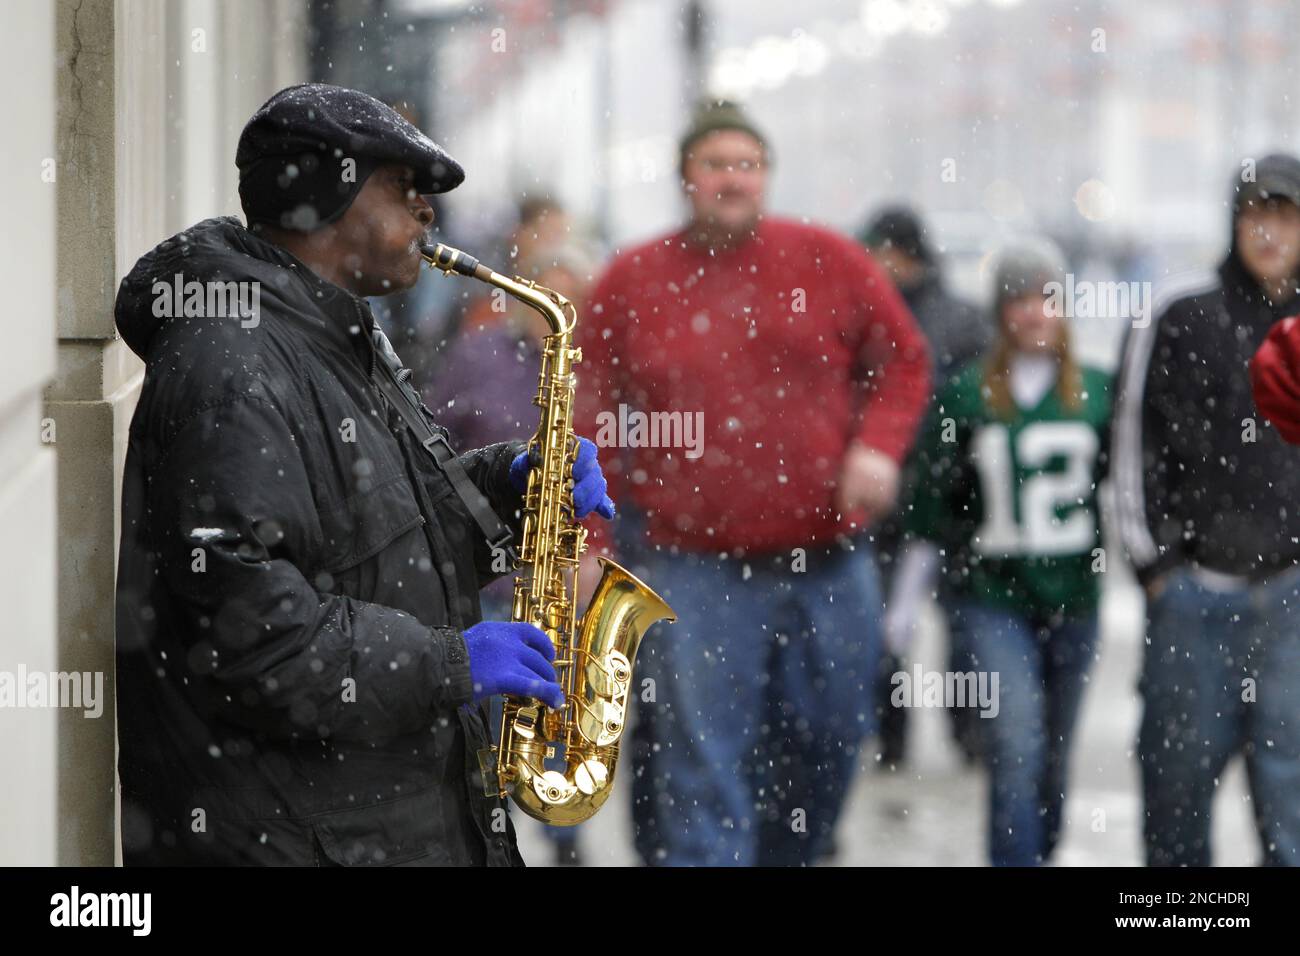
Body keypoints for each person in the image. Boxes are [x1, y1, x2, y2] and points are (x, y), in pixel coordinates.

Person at [113, 83, 615, 866]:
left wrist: (520, 487)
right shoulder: (231, 364)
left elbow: (379, 541)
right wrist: (450, 662)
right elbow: (252, 639)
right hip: (296, 835)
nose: (427, 215)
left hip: (366, 820)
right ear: (323, 197)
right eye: (404, 190)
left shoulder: (332, 332)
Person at [574, 99, 931, 866]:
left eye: (748, 165)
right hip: (694, 570)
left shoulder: (830, 262)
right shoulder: (633, 281)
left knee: (830, 743)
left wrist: (877, 447)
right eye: (715, 165)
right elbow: (588, 418)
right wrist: (588, 541)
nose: (732, 180)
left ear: (767, 177)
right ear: (684, 178)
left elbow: (903, 359)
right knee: (702, 765)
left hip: (829, 564)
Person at [887, 242, 1111, 866]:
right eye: (1019, 300)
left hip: (1075, 595)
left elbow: (1131, 492)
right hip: (992, 595)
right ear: (999, 312)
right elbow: (930, 508)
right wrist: (904, 603)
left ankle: (1041, 851)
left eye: (1047, 298)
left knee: (1055, 752)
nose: (1035, 314)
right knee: (1015, 742)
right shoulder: (965, 398)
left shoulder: (1098, 391)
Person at [1113, 152, 1300, 866]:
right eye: (1257, 213)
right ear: (1234, 221)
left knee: (1291, 805)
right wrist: (1157, 569)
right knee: (1177, 798)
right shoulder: (1183, 320)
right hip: (1195, 599)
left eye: (1285, 215)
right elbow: (1133, 447)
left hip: (1291, 601)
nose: (1270, 232)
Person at [862, 206, 990, 768]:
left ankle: (970, 735)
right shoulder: (866, 317)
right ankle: (893, 738)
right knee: (887, 629)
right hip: (890, 505)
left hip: (955, 501)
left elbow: (983, 405)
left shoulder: (960, 320)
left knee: (966, 627)